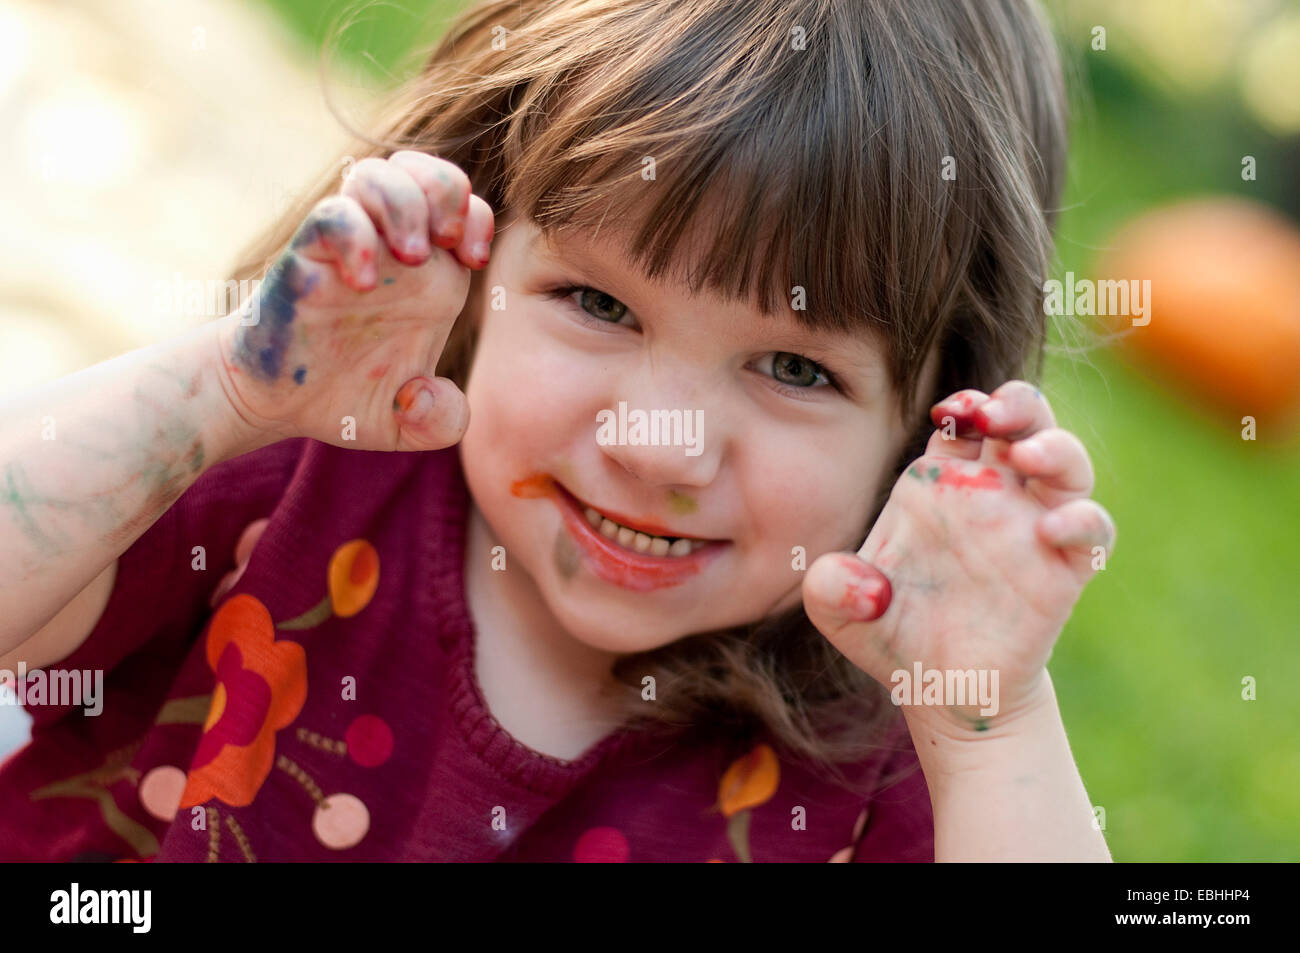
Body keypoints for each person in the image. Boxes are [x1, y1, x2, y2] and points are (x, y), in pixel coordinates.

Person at [0, 0, 1114, 861]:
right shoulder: (290, 489)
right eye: (597, 304)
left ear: (924, 422)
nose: (655, 443)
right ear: (471, 252)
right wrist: (223, 394)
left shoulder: (881, 764)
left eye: (791, 367)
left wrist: (991, 722)